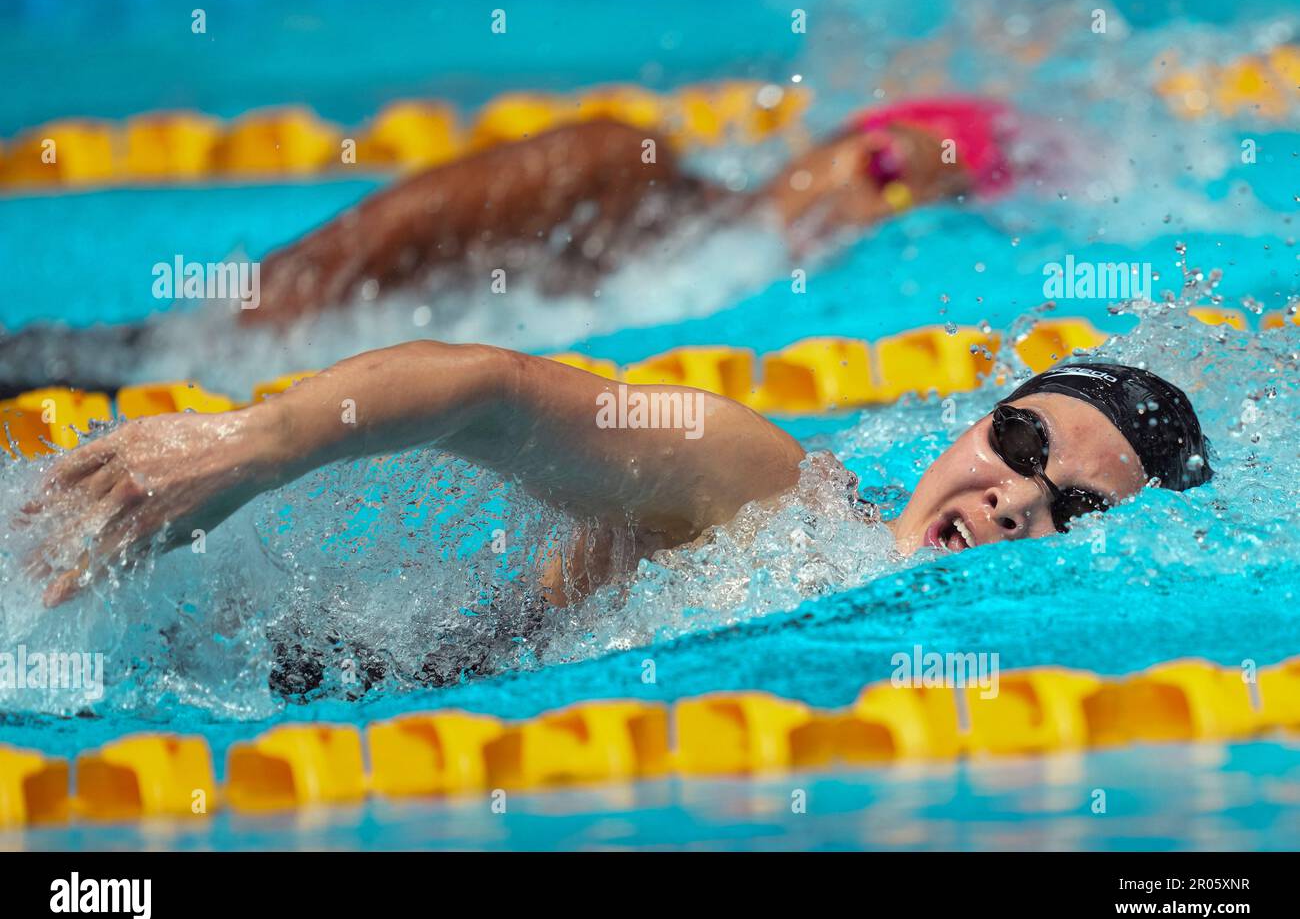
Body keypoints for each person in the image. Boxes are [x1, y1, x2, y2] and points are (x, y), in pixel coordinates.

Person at [25, 341, 1212, 609]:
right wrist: (250, 445)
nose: (1015, 497)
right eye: (1018, 444)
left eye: (1074, 511)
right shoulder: (770, 493)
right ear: (970, 423)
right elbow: (487, 388)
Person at [0, 97, 1016, 396]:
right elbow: (352, 248)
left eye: (908, 207)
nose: (863, 210)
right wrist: (199, 368)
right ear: (839, 138)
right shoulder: (622, 165)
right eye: (881, 168)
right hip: (171, 369)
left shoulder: (778, 305)